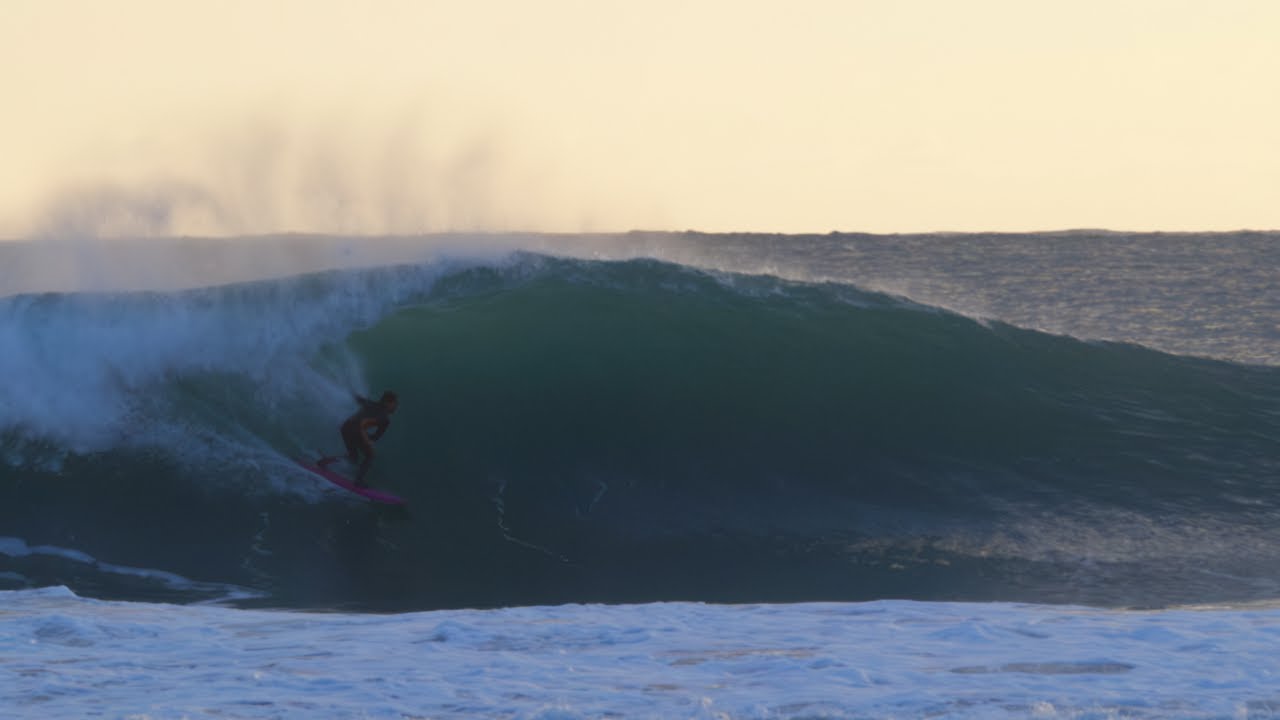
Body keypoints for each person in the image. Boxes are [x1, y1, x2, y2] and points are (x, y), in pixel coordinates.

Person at [326, 391, 398, 487]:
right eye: (395, 404)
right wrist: (367, 441)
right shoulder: (384, 417)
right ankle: (358, 481)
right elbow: (363, 423)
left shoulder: (370, 403)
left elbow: (357, 398)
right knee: (370, 455)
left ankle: (327, 461)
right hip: (356, 429)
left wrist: (368, 439)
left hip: (346, 427)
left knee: (353, 457)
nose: (396, 406)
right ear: (387, 403)